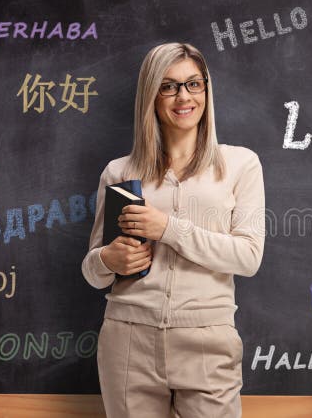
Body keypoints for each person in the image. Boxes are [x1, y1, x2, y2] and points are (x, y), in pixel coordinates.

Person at [81, 42, 265, 418]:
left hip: (206, 341)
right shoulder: (120, 172)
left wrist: (168, 228)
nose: (184, 96)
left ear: (206, 90)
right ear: (152, 94)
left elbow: (248, 257)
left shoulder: (240, 164)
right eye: (169, 86)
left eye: (194, 84)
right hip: (128, 340)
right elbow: (93, 272)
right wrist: (108, 259)